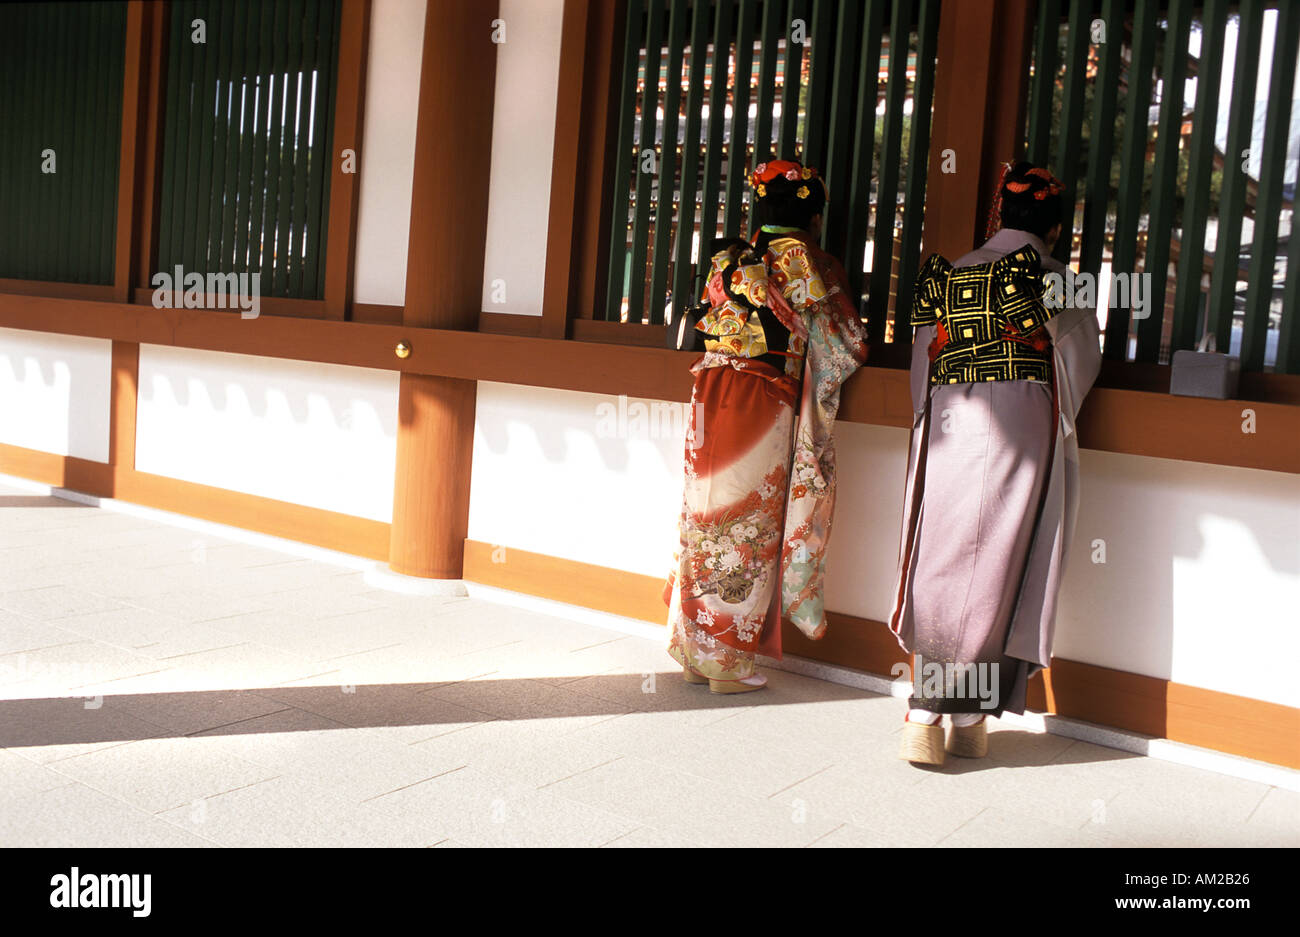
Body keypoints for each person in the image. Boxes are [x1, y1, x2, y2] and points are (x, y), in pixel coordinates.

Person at [889, 161, 1102, 763]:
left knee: (944, 549)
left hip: (950, 413)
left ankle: (945, 715)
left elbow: (922, 359)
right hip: (1023, 416)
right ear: (1055, 228)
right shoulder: (1061, 278)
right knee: (1003, 557)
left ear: (1000, 217)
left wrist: (930, 415)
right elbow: (1082, 364)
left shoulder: (952, 270)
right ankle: (949, 710)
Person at [664, 159, 868, 694]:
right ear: (814, 216)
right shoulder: (805, 259)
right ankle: (726, 666)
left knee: (704, 513)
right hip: (762, 394)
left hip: (709, 387)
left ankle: (694, 652)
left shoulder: (728, 255)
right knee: (744, 521)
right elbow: (847, 342)